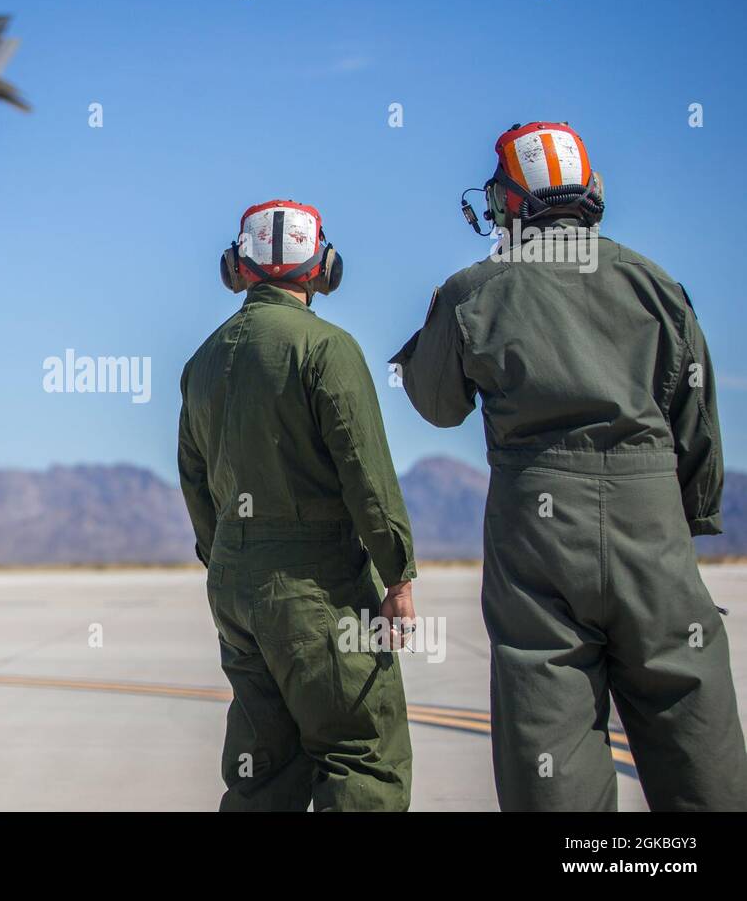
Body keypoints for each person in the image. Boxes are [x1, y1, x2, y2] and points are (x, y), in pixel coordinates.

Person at [391, 122, 747, 810]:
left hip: (538, 529)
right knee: (694, 725)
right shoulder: (656, 284)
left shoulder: (475, 288)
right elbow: (696, 416)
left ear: (508, 204)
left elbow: (436, 404)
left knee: (550, 744)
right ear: (591, 195)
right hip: (653, 528)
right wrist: (692, 514)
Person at [178, 199, 417, 811]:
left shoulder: (202, 361)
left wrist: (226, 559)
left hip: (236, 587)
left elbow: (196, 483)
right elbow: (367, 474)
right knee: (360, 755)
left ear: (239, 267)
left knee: (262, 771)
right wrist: (398, 574)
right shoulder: (327, 349)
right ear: (322, 268)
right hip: (318, 590)